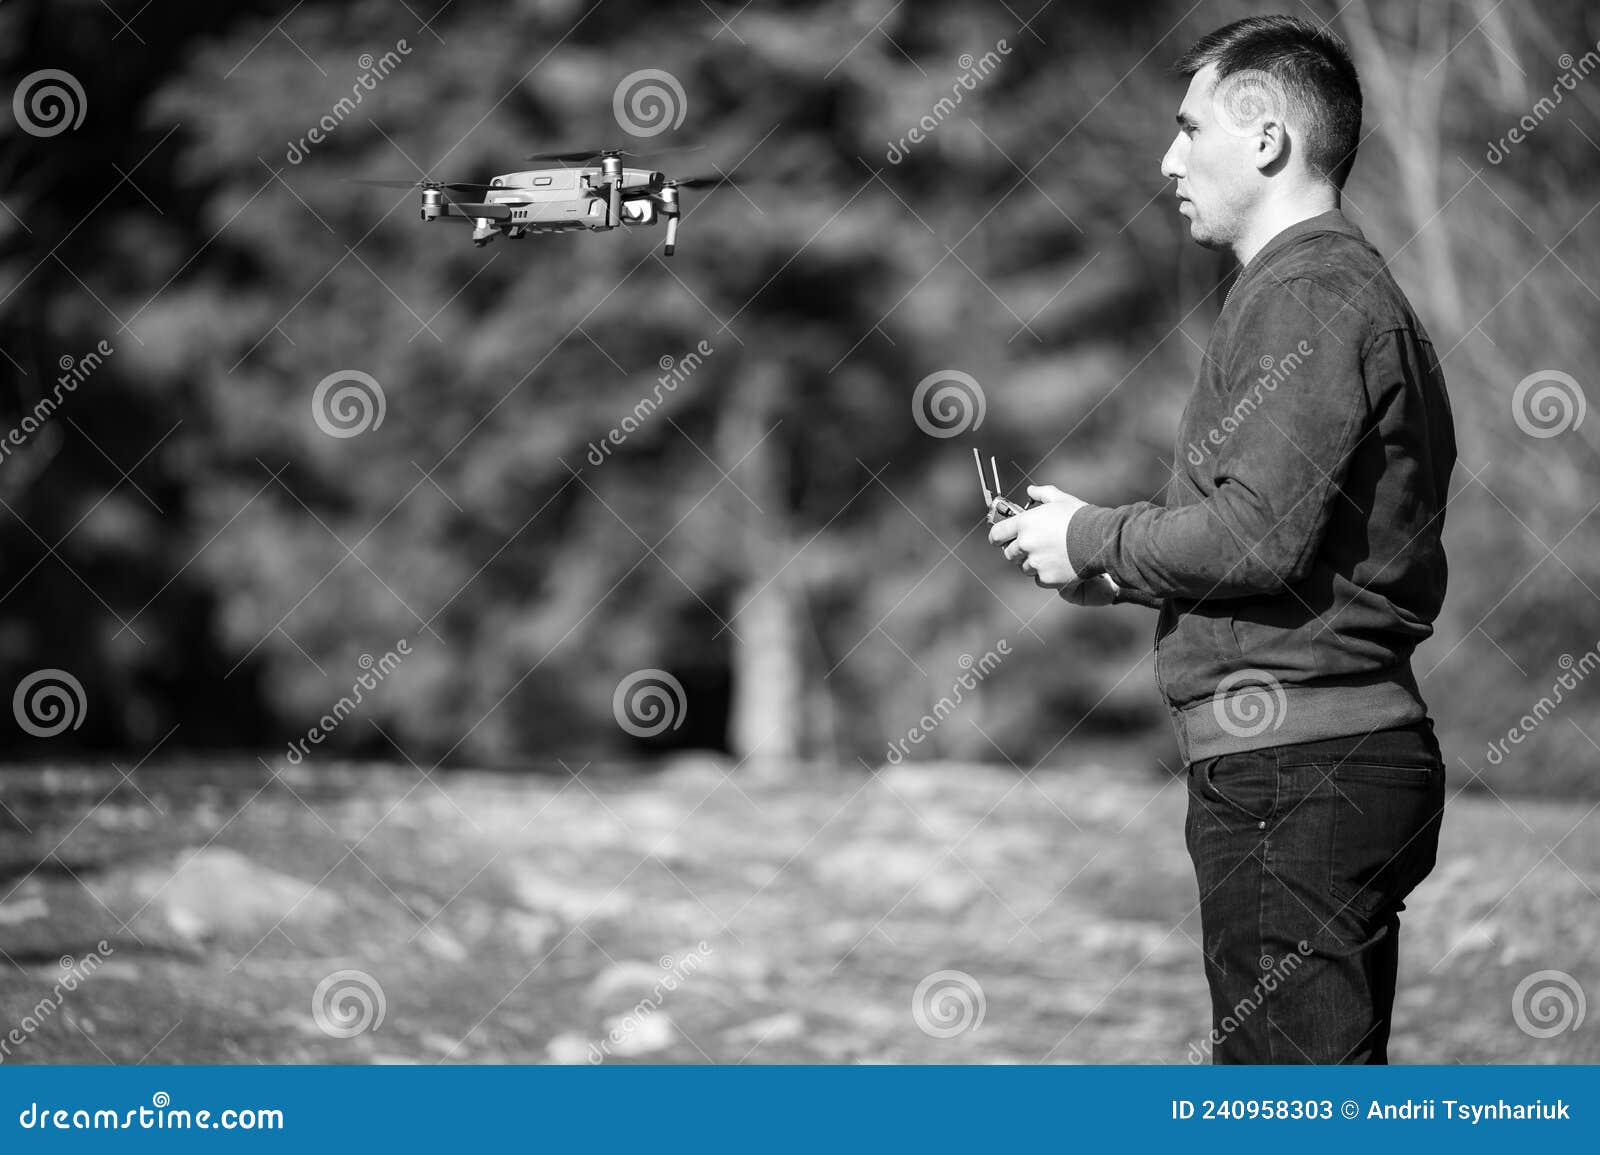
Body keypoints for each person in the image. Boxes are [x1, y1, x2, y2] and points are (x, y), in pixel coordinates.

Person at [988, 14, 1456, 1064]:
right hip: (1314, 761)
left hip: (1300, 770)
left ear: (1266, 142)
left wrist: (1099, 536)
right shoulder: (1328, 290)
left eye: (1188, 128)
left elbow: (1257, 538)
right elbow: (1296, 541)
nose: (1166, 159)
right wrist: (1102, 565)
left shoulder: (1306, 291)